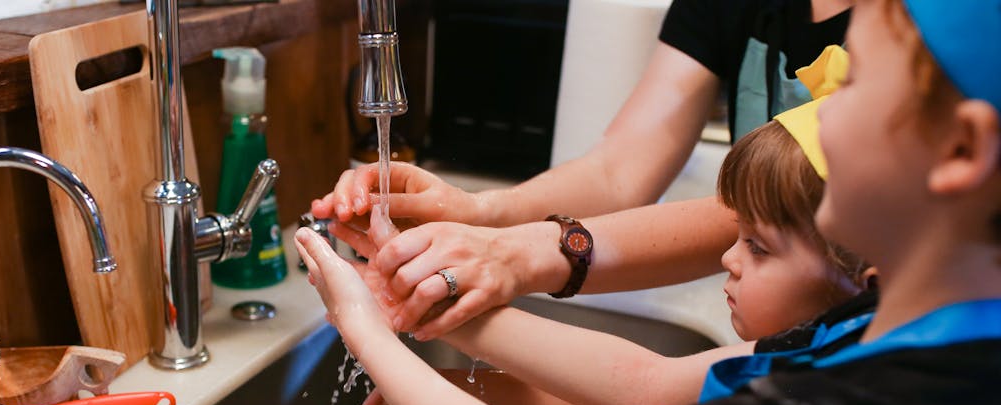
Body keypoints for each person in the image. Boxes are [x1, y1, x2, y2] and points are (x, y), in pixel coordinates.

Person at [294, 0, 1001, 405]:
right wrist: (429, 292)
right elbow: (648, 387)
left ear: (963, 149)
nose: (815, 107)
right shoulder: (876, 337)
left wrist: (361, 318)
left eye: (853, 83)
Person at [351, 60, 872, 405]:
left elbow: (647, 394)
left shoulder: (838, 375)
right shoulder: (833, 343)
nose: (727, 258)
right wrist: (468, 395)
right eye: (736, 233)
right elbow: (651, 404)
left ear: (865, 278)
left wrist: (426, 308)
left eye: (758, 247)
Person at [311, 0, 856, 339]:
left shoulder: (916, 32)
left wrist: (527, 253)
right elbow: (621, 169)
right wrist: (479, 211)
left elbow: (793, 215)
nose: (732, 255)